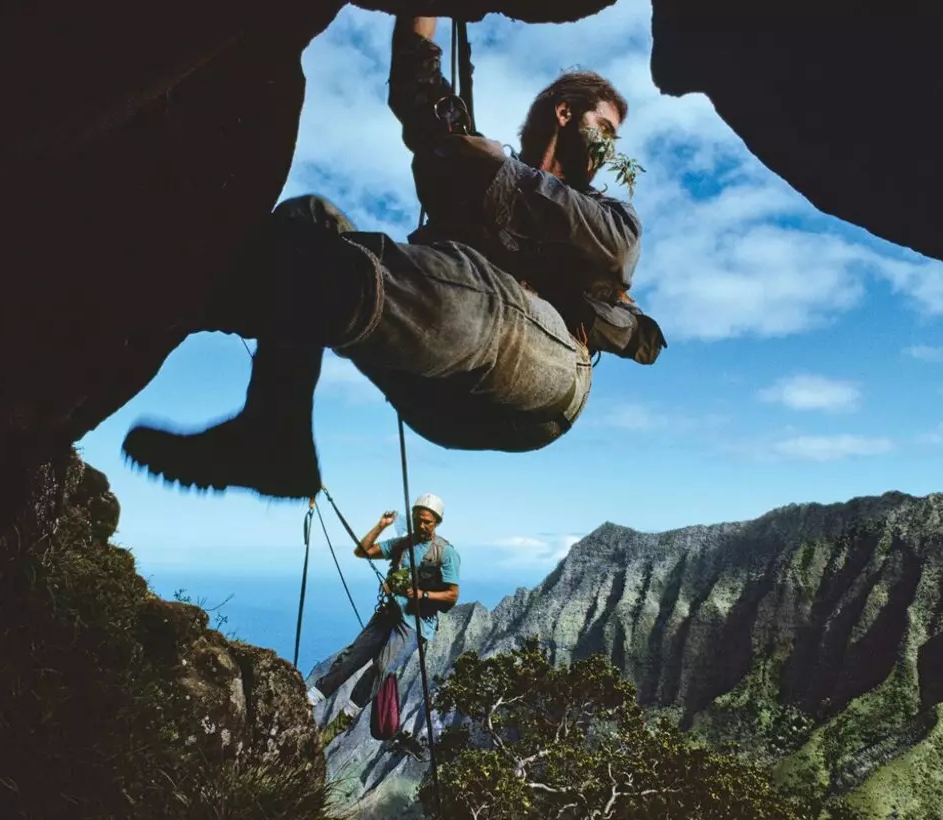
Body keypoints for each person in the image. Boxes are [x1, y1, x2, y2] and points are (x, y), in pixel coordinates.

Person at [121, 14, 666, 499]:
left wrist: (501, 171)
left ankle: (190, 276)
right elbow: (416, 89)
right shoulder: (472, 163)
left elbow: (616, 248)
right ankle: (274, 432)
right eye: (606, 129)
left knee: (482, 292)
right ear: (566, 113)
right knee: (308, 218)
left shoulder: (608, 214)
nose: (610, 148)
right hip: (437, 385)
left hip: (545, 382)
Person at [307, 493, 460, 715]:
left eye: (427, 521)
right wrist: (381, 525)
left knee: (382, 666)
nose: (422, 525)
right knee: (354, 655)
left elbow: (452, 595)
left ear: (437, 522)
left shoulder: (446, 553)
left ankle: (349, 713)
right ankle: (313, 697)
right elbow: (363, 551)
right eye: (418, 519)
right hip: (390, 611)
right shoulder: (402, 544)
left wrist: (422, 595)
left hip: (414, 623)